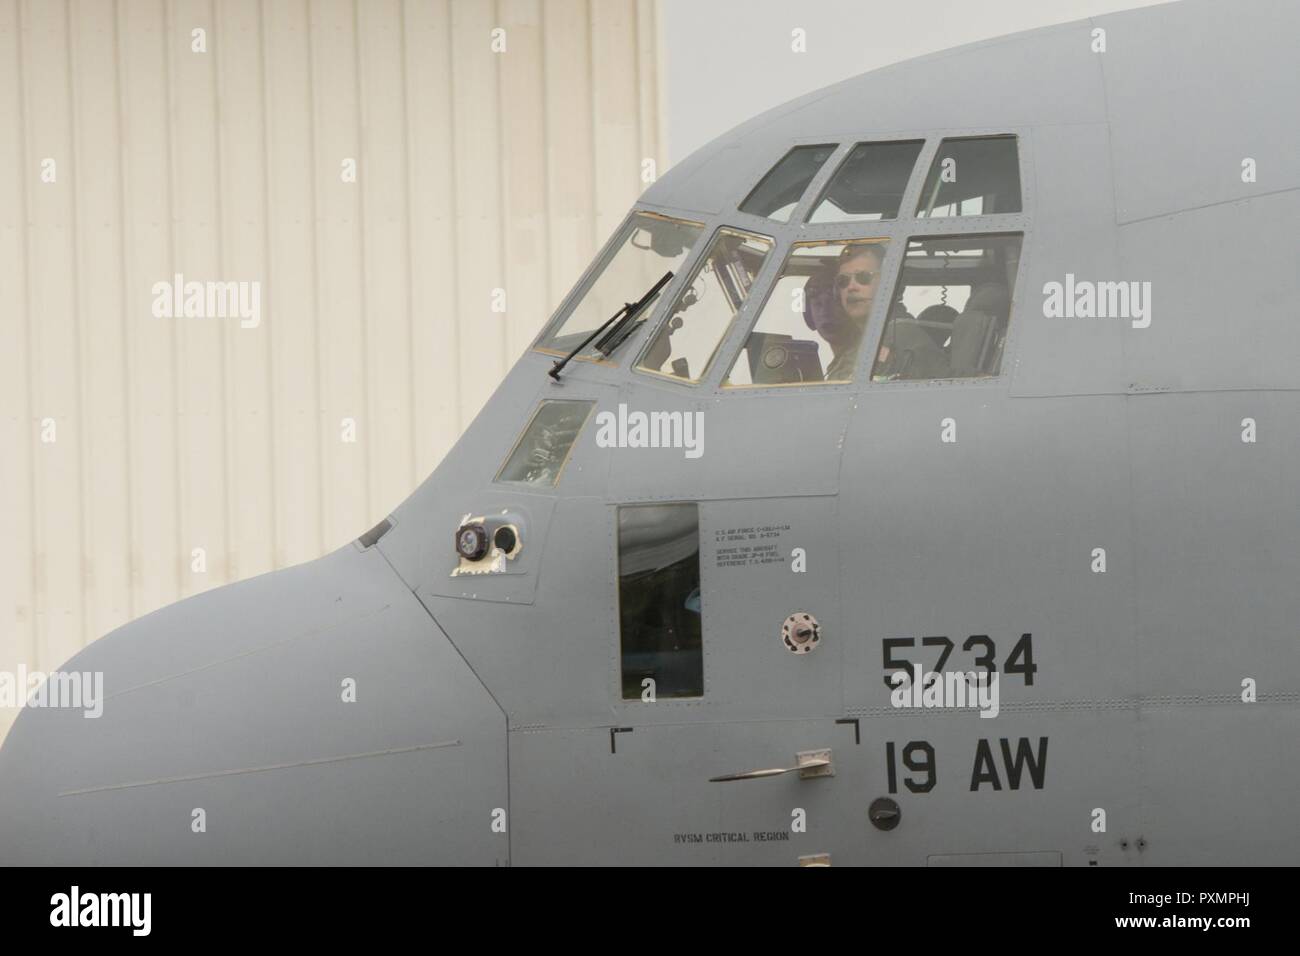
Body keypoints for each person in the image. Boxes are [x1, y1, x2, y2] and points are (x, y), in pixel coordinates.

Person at [802, 242, 885, 381]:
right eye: (817, 304)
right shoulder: (842, 363)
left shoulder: (883, 345)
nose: (825, 313)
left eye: (832, 301)